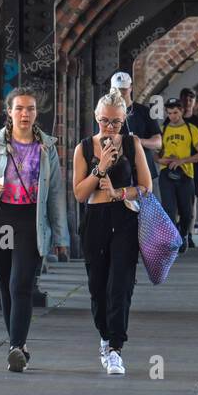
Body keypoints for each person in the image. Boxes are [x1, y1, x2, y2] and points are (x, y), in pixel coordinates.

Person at [0, 86, 69, 373]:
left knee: (20, 284)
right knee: (5, 286)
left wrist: (61, 237)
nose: (25, 114)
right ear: (9, 112)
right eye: (20, 108)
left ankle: (15, 346)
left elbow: (55, 194)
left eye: (30, 109)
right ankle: (19, 344)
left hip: (31, 221)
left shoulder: (47, 148)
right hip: (0, 219)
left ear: (36, 113)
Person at [72, 90, 154, 376]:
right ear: (96, 117)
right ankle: (104, 338)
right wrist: (100, 169)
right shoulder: (83, 148)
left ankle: (116, 348)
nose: (109, 127)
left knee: (120, 285)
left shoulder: (132, 145)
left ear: (124, 121)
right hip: (95, 219)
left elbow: (146, 187)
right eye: (105, 121)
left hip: (125, 218)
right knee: (98, 286)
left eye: (116, 122)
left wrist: (119, 192)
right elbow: (80, 194)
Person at [158, 97, 198, 253]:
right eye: (170, 113)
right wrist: (163, 161)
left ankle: (183, 234)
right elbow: (155, 155)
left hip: (186, 174)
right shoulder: (162, 130)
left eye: (176, 113)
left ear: (182, 111)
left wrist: (182, 160)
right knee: (169, 210)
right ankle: (173, 240)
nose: (173, 116)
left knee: (187, 212)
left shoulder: (191, 129)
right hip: (167, 174)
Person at [111, 71, 162, 180]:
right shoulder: (108, 113)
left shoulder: (144, 112)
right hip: (119, 173)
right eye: (117, 90)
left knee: (147, 196)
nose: (120, 93)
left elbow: (158, 142)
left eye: (123, 89)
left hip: (145, 173)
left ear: (130, 88)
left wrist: (138, 141)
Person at [180, 87, 198, 243]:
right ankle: (179, 232)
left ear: (194, 102)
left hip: (194, 165)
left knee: (192, 200)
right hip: (176, 165)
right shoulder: (173, 120)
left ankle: (189, 233)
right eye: (185, 99)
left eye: (191, 99)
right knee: (176, 201)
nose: (188, 102)